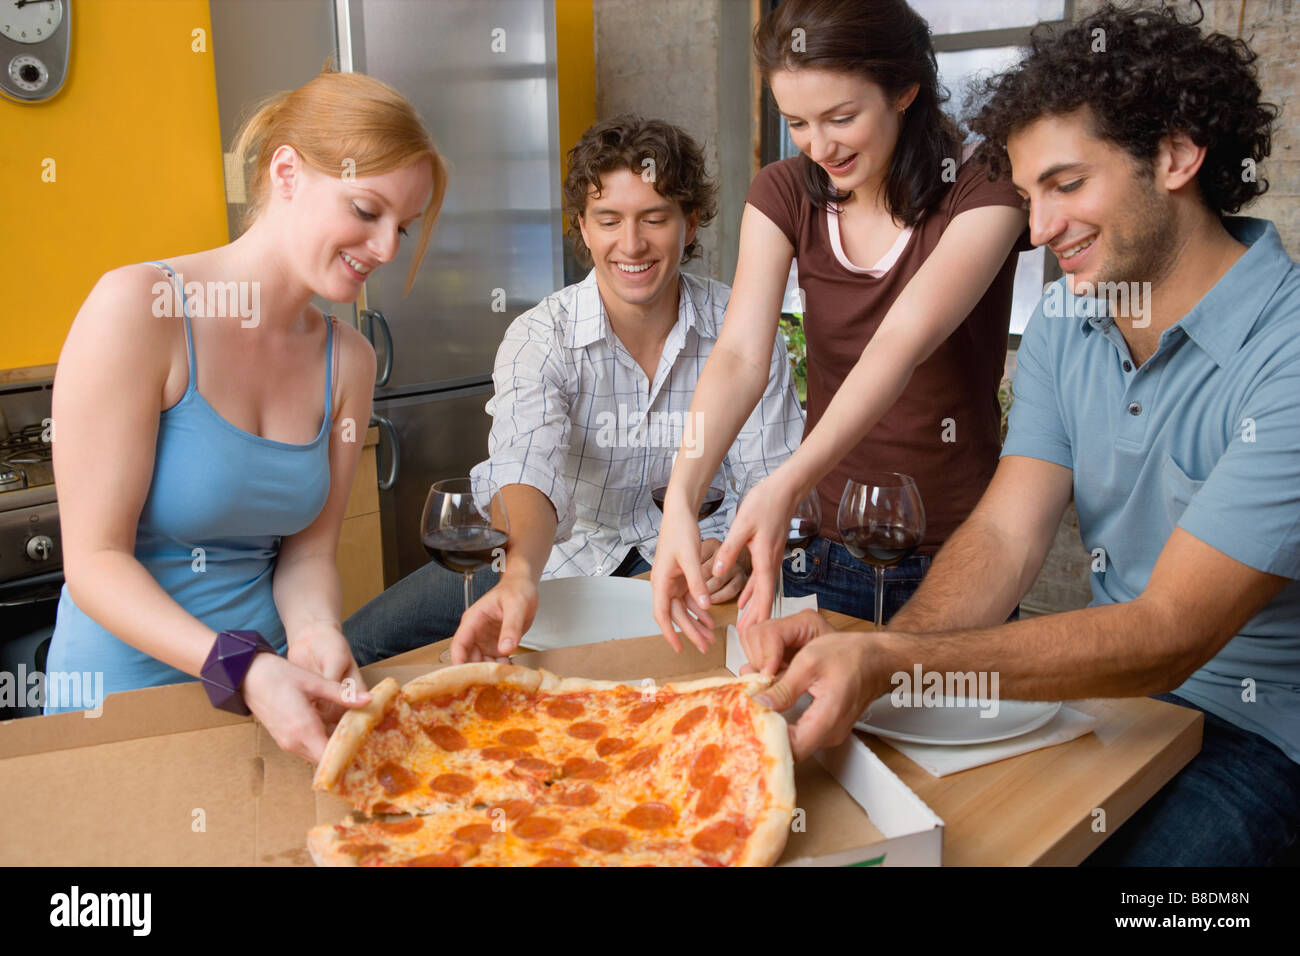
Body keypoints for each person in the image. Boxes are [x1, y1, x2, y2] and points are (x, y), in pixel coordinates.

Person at [741, 3, 1300, 866]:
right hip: (1111, 709)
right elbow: (1004, 534)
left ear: (1179, 157)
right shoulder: (1068, 328)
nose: (1037, 231)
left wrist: (890, 664)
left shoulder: (1288, 351)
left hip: (1256, 739)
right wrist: (896, 650)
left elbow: (1169, 632)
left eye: (1067, 185)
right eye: (1029, 192)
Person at [45, 68, 447, 764]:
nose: (384, 248)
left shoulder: (346, 361)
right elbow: (94, 562)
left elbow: (308, 554)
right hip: (123, 703)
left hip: (272, 696)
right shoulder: (139, 308)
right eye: (365, 210)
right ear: (286, 171)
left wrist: (318, 633)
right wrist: (239, 666)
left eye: (401, 229)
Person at [343, 115, 804, 667]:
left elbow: (774, 480)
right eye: (608, 220)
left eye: (654, 218)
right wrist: (517, 576)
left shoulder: (743, 326)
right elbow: (525, 470)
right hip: (555, 558)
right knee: (359, 645)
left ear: (691, 221)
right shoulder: (542, 336)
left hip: (694, 572)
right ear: (582, 228)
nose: (631, 244)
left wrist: (737, 557)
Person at [651, 0, 1029, 650]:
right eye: (796, 122)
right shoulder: (784, 192)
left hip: (966, 557)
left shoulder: (985, 184)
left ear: (905, 89)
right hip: (832, 551)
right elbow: (742, 354)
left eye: (842, 117)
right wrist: (682, 498)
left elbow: (900, 342)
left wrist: (785, 481)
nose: (818, 146)